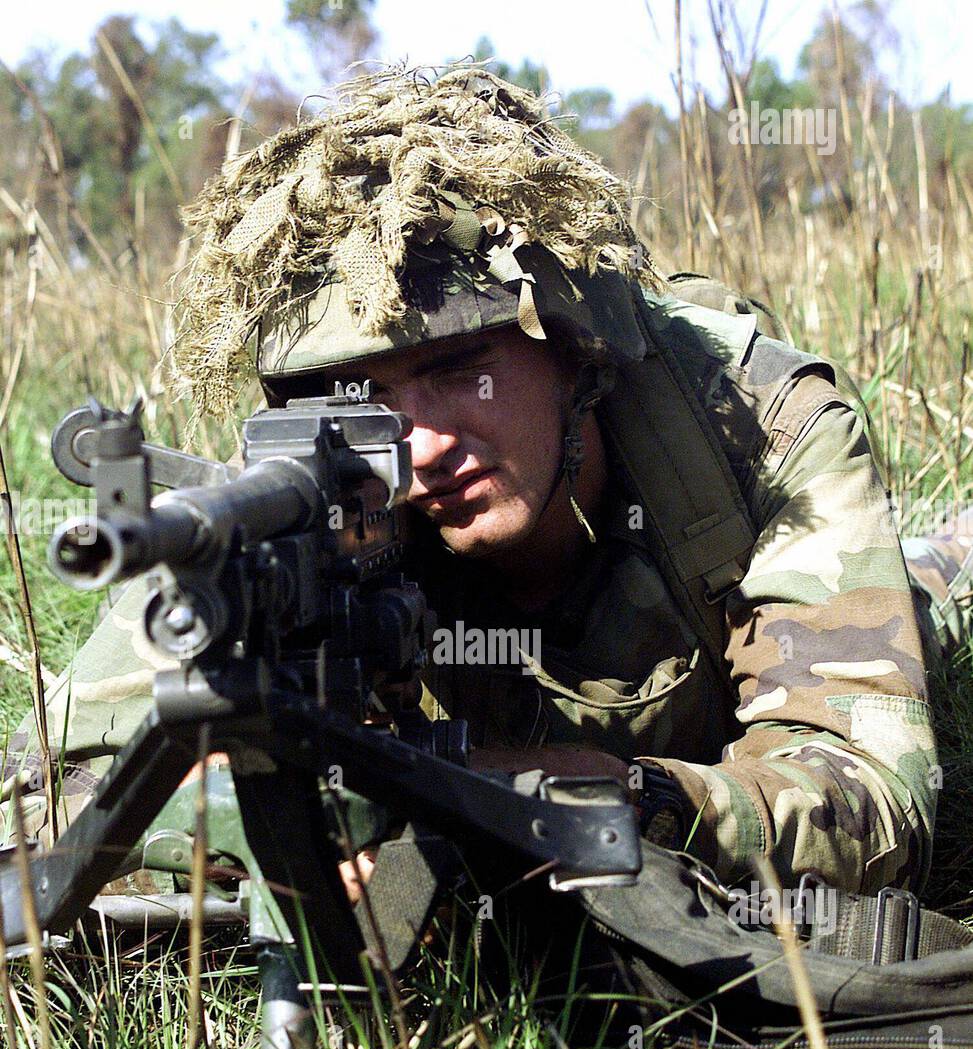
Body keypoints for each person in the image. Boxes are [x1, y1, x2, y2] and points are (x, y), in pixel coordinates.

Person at [4, 65, 972, 916]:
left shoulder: (760, 425)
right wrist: (231, 812)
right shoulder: (305, 498)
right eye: (362, 396)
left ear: (574, 342)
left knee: (937, 594)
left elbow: (873, 801)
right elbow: (39, 802)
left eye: (461, 367)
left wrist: (587, 798)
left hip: (756, 663)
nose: (415, 445)